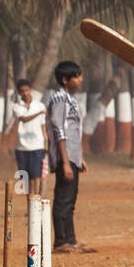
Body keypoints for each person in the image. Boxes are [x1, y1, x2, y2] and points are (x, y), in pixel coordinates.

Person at [47, 61, 90, 253]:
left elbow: (74, 131)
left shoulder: (70, 99)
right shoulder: (59, 99)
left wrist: (78, 158)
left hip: (72, 157)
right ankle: (60, 241)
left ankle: (70, 239)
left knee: (70, 199)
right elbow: (59, 131)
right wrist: (65, 162)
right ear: (65, 80)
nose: (80, 80)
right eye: (76, 76)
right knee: (63, 199)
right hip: (64, 158)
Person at [11, 79, 46, 196]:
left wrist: (46, 144)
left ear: (30, 90)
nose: (25, 93)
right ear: (19, 93)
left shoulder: (39, 105)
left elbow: (43, 127)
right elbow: (24, 120)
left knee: (36, 177)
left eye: (27, 90)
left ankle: (35, 206)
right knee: (25, 179)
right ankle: (29, 206)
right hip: (21, 147)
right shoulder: (16, 107)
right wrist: (39, 113)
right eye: (22, 91)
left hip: (37, 146)